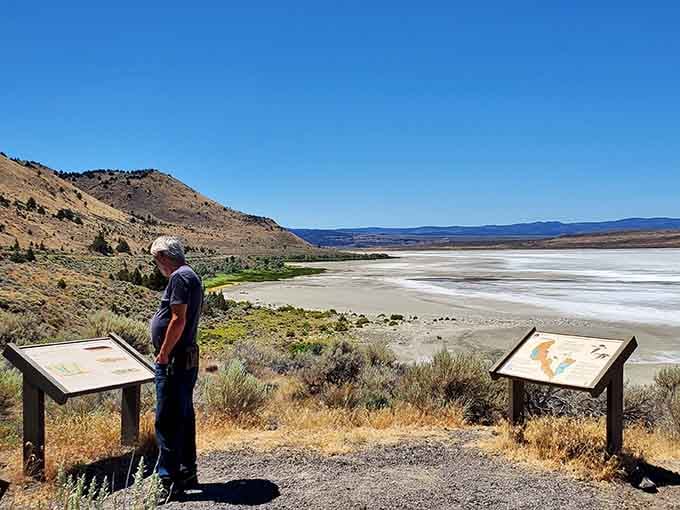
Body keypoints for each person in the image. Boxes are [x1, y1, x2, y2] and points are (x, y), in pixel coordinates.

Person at [149, 236, 203, 496]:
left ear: (163, 256)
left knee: (167, 419)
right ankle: (186, 471)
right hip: (185, 358)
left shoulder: (179, 278)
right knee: (183, 415)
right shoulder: (190, 274)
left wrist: (163, 353)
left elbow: (177, 320)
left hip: (174, 360)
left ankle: (166, 481)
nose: (156, 266)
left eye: (155, 259)